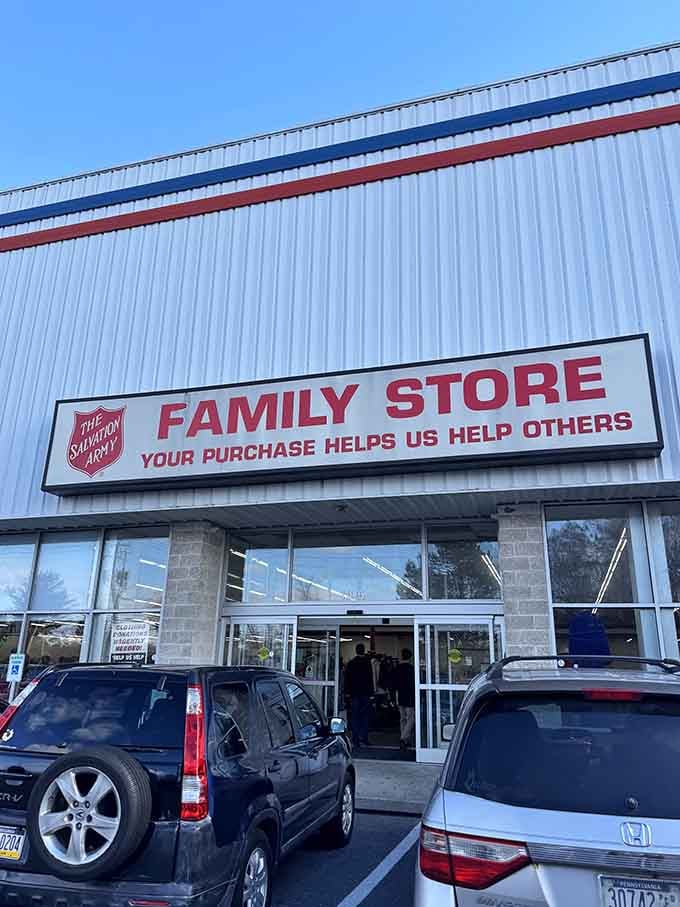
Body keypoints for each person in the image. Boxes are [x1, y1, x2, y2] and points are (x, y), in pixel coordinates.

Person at [344, 643, 374, 748]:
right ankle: (364, 738)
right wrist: (371, 693)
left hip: (354, 694)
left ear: (356, 651)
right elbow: (370, 678)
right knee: (365, 716)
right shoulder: (367, 663)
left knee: (355, 716)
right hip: (365, 693)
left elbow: (347, 679)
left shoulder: (351, 663)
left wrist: (347, 692)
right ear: (364, 651)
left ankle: (355, 738)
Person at [394, 648, 416, 751]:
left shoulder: (397, 668)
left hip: (400, 695)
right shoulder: (412, 669)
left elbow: (395, 684)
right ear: (410, 657)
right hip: (410, 696)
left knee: (402, 718)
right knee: (410, 718)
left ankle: (404, 738)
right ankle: (404, 738)